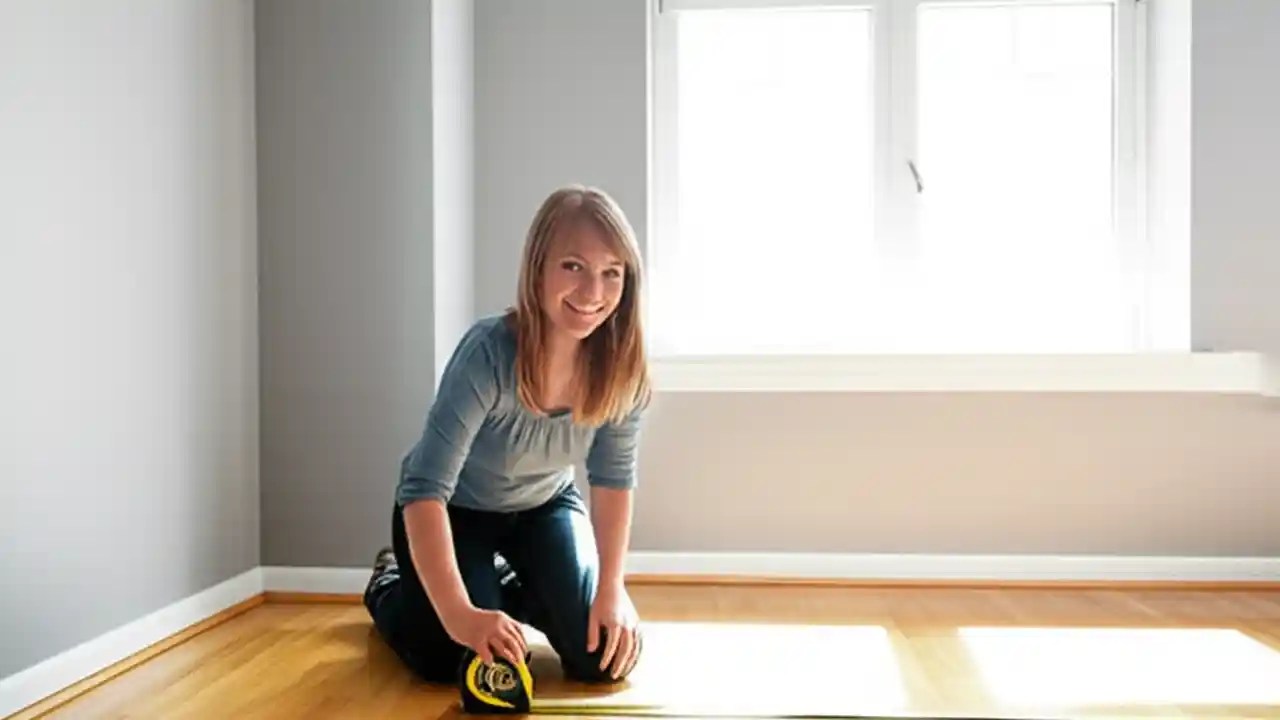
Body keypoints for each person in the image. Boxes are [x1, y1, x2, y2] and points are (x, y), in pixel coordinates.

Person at [363, 184, 652, 687]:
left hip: (544, 507)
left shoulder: (622, 369)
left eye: (611, 273)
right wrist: (459, 615)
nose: (592, 293)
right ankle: (392, 582)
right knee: (450, 658)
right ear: (537, 266)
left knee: (600, 658)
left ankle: (513, 589)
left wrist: (611, 589)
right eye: (573, 267)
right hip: (454, 513)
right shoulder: (487, 355)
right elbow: (425, 490)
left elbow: (612, 481)